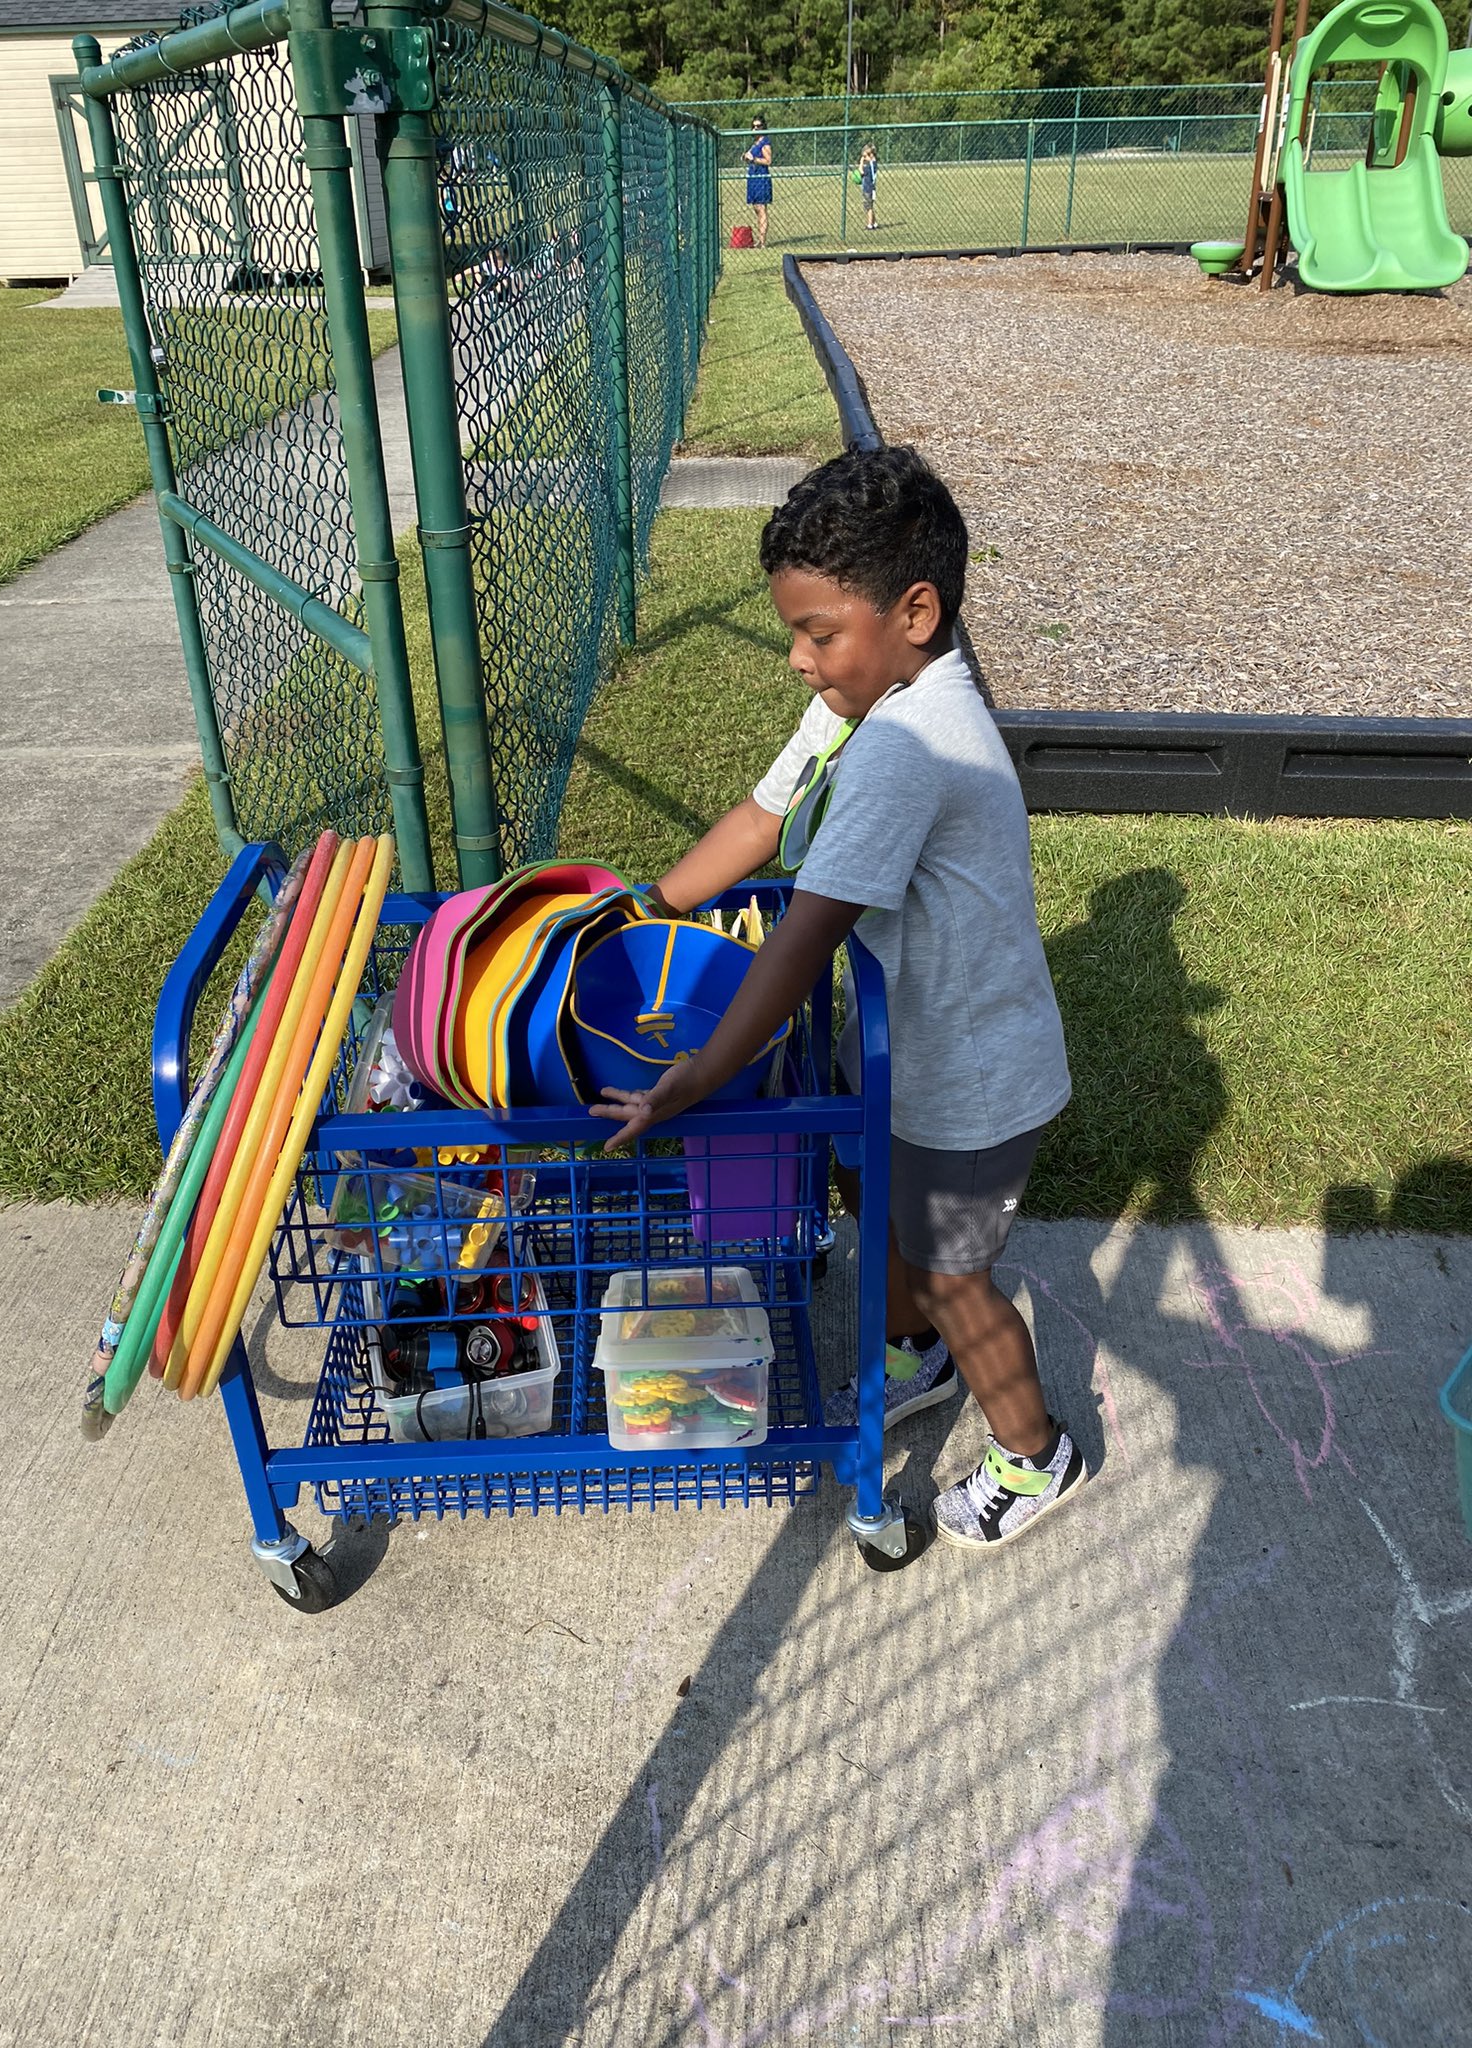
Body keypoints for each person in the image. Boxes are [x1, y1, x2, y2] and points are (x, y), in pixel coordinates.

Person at [591, 447, 1085, 1552]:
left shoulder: (907, 745)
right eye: (794, 632)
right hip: (909, 1046)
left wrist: (701, 1072)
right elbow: (763, 819)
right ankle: (914, 1346)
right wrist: (643, 907)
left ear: (916, 611)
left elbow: (805, 935)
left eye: (820, 633)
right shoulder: (863, 702)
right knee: (878, 1200)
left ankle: (1035, 1450)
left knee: (959, 1273)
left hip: (974, 1079)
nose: (799, 659)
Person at [744, 116, 773, 248]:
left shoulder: (765, 143)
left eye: (759, 126)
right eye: (754, 126)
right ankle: (758, 239)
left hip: (761, 177)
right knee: (756, 208)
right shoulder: (755, 142)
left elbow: (768, 161)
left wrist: (754, 159)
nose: (756, 128)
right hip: (753, 177)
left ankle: (762, 241)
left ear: (763, 127)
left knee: (761, 209)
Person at [858, 143, 879, 230]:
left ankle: (870, 224)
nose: (863, 157)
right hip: (871, 188)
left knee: (868, 207)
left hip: (868, 188)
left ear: (870, 155)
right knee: (870, 206)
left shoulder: (869, 166)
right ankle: (874, 223)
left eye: (865, 156)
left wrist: (861, 162)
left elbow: (861, 172)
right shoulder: (873, 164)